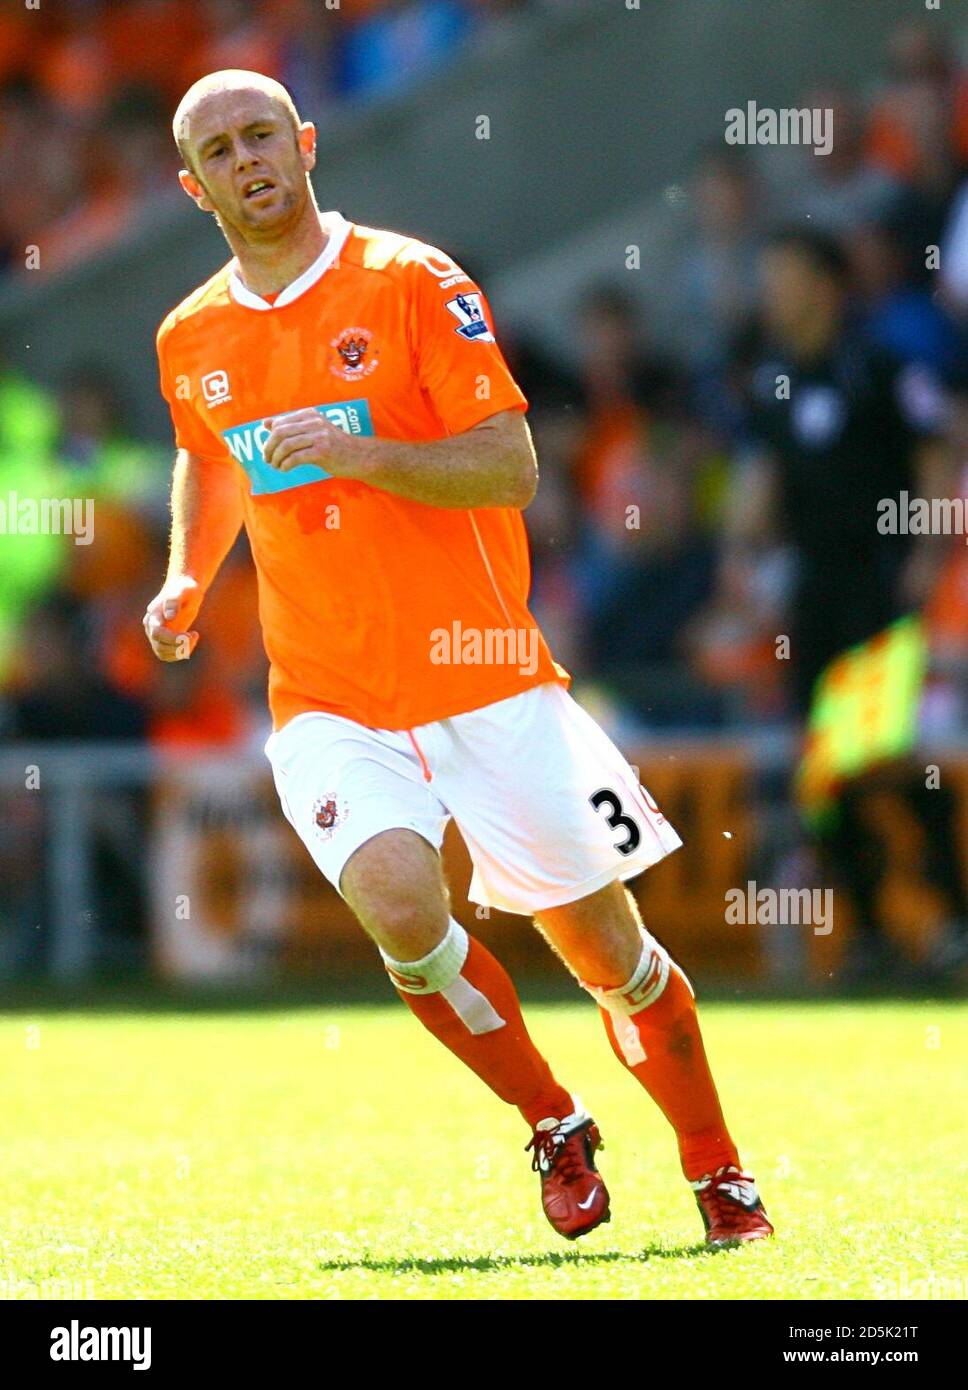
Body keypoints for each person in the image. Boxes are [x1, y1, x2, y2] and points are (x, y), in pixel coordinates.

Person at [144, 69, 773, 1246]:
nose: (248, 161)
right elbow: (212, 458)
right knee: (399, 910)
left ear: (307, 141)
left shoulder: (411, 282)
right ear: (193, 186)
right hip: (328, 693)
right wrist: (187, 573)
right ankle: (551, 1120)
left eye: (262, 135)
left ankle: (714, 1161)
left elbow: (509, 466)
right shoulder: (191, 334)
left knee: (610, 953)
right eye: (220, 150)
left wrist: (360, 448)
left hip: (482, 677)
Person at [728, 229, 968, 980]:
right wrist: (741, 551)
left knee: (882, 757)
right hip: (815, 593)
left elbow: (937, 450)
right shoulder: (773, 379)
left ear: (825, 284)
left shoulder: (882, 367)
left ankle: (951, 915)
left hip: (879, 585)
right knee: (823, 770)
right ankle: (871, 932)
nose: (773, 292)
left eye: (785, 275)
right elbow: (764, 476)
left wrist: (928, 553)